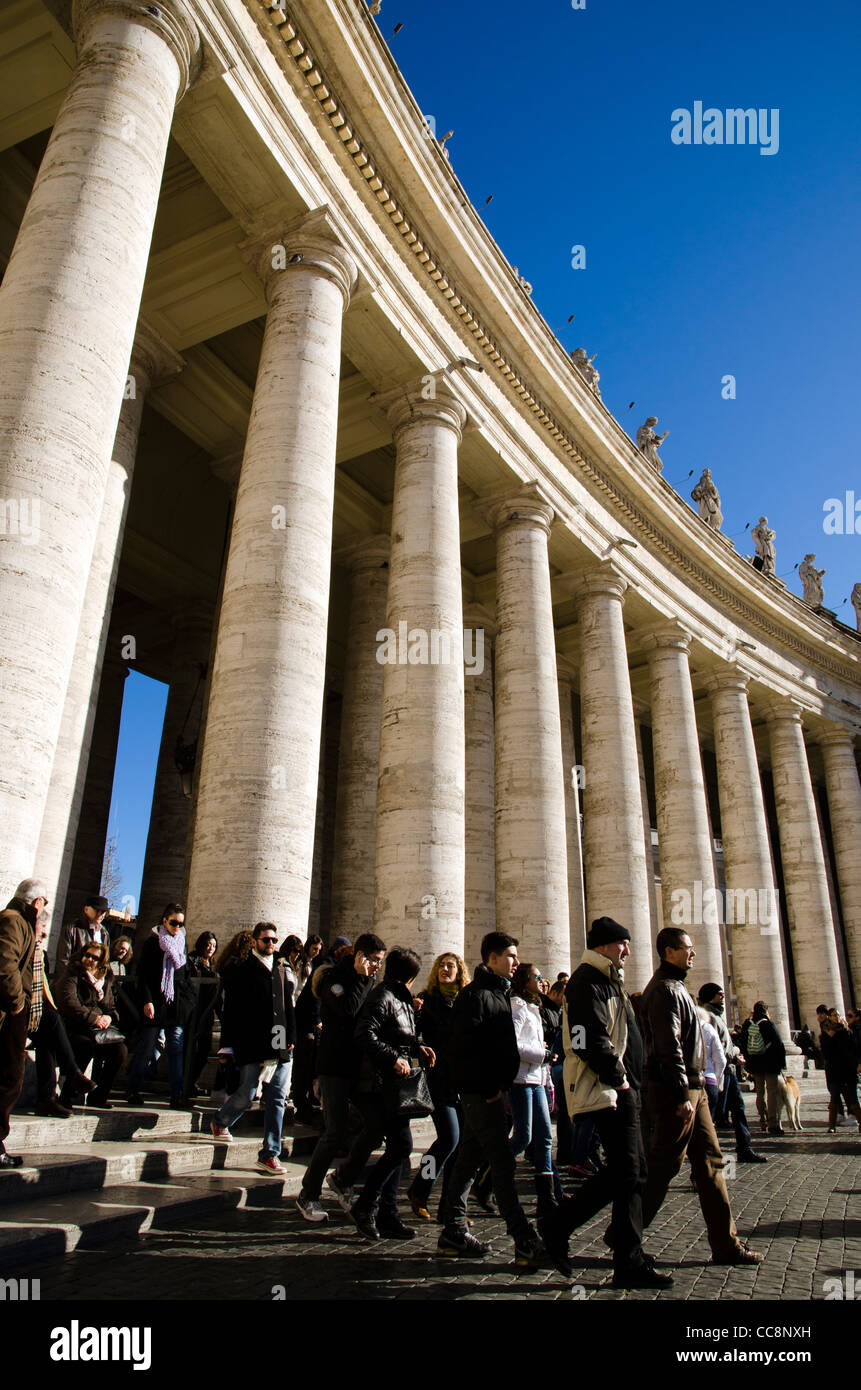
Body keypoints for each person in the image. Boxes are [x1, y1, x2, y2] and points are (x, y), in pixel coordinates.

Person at [542, 917, 671, 1288]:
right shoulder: (587, 981)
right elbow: (585, 1038)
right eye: (622, 944)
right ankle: (565, 1227)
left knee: (632, 1173)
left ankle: (626, 1255)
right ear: (603, 945)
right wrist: (621, 1080)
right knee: (627, 1173)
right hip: (609, 1092)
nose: (628, 951)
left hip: (622, 1089)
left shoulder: (609, 979)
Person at [639, 928, 763, 1266]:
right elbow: (669, 1047)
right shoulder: (665, 990)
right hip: (678, 1091)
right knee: (664, 1166)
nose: (693, 954)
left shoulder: (676, 987)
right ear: (669, 951)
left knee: (711, 1165)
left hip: (694, 1089)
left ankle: (726, 1244)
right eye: (687, 948)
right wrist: (682, 1093)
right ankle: (625, 1235)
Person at [436, 931, 544, 1268]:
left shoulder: (498, 994)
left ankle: (452, 1230)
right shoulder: (476, 996)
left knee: (469, 1159)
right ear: (492, 958)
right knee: (502, 1161)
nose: (516, 962)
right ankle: (523, 1236)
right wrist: (486, 1088)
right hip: (481, 1093)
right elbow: (463, 1050)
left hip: (491, 1091)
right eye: (510, 956)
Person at [295, 933, 386, 1222]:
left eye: (379, 963)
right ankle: (308, 1193)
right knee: (334, 1133)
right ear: (359, 955)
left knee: (376, 1125)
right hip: (334, 1066)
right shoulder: (331, 978)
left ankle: (343, 1179)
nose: (375, 967)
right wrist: (361, 977)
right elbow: (348, 1010)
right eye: (373, 961)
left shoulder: (368, 981)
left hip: (358, 1069)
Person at [344, 946, 433, 1239]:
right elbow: (364, 1034)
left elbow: (398, 1035)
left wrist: (417, 1049)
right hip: (381, 1085)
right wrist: (394, 1058)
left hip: (396, 1087)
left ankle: (387, 1214)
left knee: (399, 1149)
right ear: (411, 975)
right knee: (402, 1147)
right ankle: (366, 1203)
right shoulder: (384, 996)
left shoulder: (401, 999)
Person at [210, 922, 295, 1172]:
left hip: (280, 1042)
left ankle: (270, 1153)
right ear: (255, 941)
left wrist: (292, 1038)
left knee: (277, 1098)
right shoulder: (242, 970)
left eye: (274, 940)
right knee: (247, 1094)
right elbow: (232, 1011)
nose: (271, 944)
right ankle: (221, 1120)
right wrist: (227, 1047)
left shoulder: (281, 968)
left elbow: (289, 1007)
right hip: (252, 1042)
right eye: (266, 940)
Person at [407, 952, 469, 1222]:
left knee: (461, 1144)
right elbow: (411, 1033)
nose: (445, 969)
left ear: (459, 971)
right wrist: (415, 1012)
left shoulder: (466, 1000)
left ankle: (451, 1205)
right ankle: (421, 1188)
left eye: (451, 966)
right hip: (438, 1078)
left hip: (463, 1081)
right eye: (442, 966)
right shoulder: (427, 999)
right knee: (449, 1138)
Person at [28, 907, 96, 1118]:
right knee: (52, 1021)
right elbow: (67, 1001)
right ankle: (72, 1074)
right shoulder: (71, 972)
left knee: (48, 1037)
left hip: (38, 1013)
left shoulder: (41, 952)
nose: (46, 932)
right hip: (24, 1009)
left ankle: (47, 1099)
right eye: (43, 926)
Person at [0, 879, 49, 1168]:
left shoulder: (20, 922)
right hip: (10, 1013)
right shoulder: (13, 921)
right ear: (36, 902)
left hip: (13, 1013)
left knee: (8, 1080)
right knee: (7, 1079)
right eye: (44, 902)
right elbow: (5, 965)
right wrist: (18, 1003)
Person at [125, 903, 194, 1107]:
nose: (177, 927)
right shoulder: (152, 943)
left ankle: (177, 1094)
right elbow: (144, 974)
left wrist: (188, 1001)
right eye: (174, 922)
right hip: (156, 1002)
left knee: (176, 1048)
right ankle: (133, 1090)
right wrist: (147, 1000)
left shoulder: (182, 943)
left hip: (176, 1004)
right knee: (146, 1046)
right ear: (164, 920)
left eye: (181, 924)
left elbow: (185, 973)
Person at [697, 983, 765, 1164]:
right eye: (720, 994)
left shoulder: (716, 1016)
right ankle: (708, 1157)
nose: (723, 997)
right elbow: (715, 1047)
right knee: (716, 1116)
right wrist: (734, 1053)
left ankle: (744, 1148)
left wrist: (734, 1051)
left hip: (729, 1070)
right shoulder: (709, 1017)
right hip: (720, 1073)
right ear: (711, 996)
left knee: (738, 1110)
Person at [55, 942, 127, 1109]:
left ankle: (99, 1096)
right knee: (84, 1046)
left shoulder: (106, 976)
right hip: (76, 1025)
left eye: (95, 958)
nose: (89, 960)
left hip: (98, 1028)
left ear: (102, 961)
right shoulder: (73, 972)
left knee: (119, 1050)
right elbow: (68, 1002)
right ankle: (67, 1096)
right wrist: (93, 1018)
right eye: (87, 955)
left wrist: (109, 1017)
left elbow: (110, 1005)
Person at [508, 963, 554, 1211]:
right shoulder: (518, 1007)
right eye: (537, 977)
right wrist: (543, 1055)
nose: (542, 980)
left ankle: (546, 1198)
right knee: (523, 1137)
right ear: (525, 981)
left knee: (545, 1135)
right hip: (521, 1080)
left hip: (537, 1079)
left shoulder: (535, 1008)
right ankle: (488, 1174)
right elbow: (512, 1044)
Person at [740, 1001, 786, 1136]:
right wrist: (781, 1064)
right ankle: (773, 1124)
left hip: (755, 1064)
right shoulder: (768, 1024)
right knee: (772, 1092)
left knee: (760, 1093)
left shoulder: (748, 1024)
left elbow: (743, 1043)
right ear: (766, 1011)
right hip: (770, 1064)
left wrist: (749, 1062)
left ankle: (762, 1120)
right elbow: (779, 1044)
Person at [185, 932, 219, 1096]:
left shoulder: (211, 963)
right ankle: (186, 1083)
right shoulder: (193, 961)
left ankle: (191, 1081)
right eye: (208, 944)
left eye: (213, 945)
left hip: (207, 1012)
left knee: (204, 1050)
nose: (210, 948)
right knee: (191, 1050)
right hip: (194, 1012)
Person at [820, 1016, 861, 1133]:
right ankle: (832, 1126)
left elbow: (854, 1050)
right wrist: (829, 1037)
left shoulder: (848, 1034)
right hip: (834, 1071)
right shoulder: (827, 1035)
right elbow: (825, 1053)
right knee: (834, 1099)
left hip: (848, 1070)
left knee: (853, 1100)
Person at [54, 895, 110, 974]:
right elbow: (63, 961)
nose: (100, 914)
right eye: (97, 910)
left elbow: (105, 962)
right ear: (86, 909)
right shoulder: (72, 929)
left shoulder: (104, 933)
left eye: (103, 912)